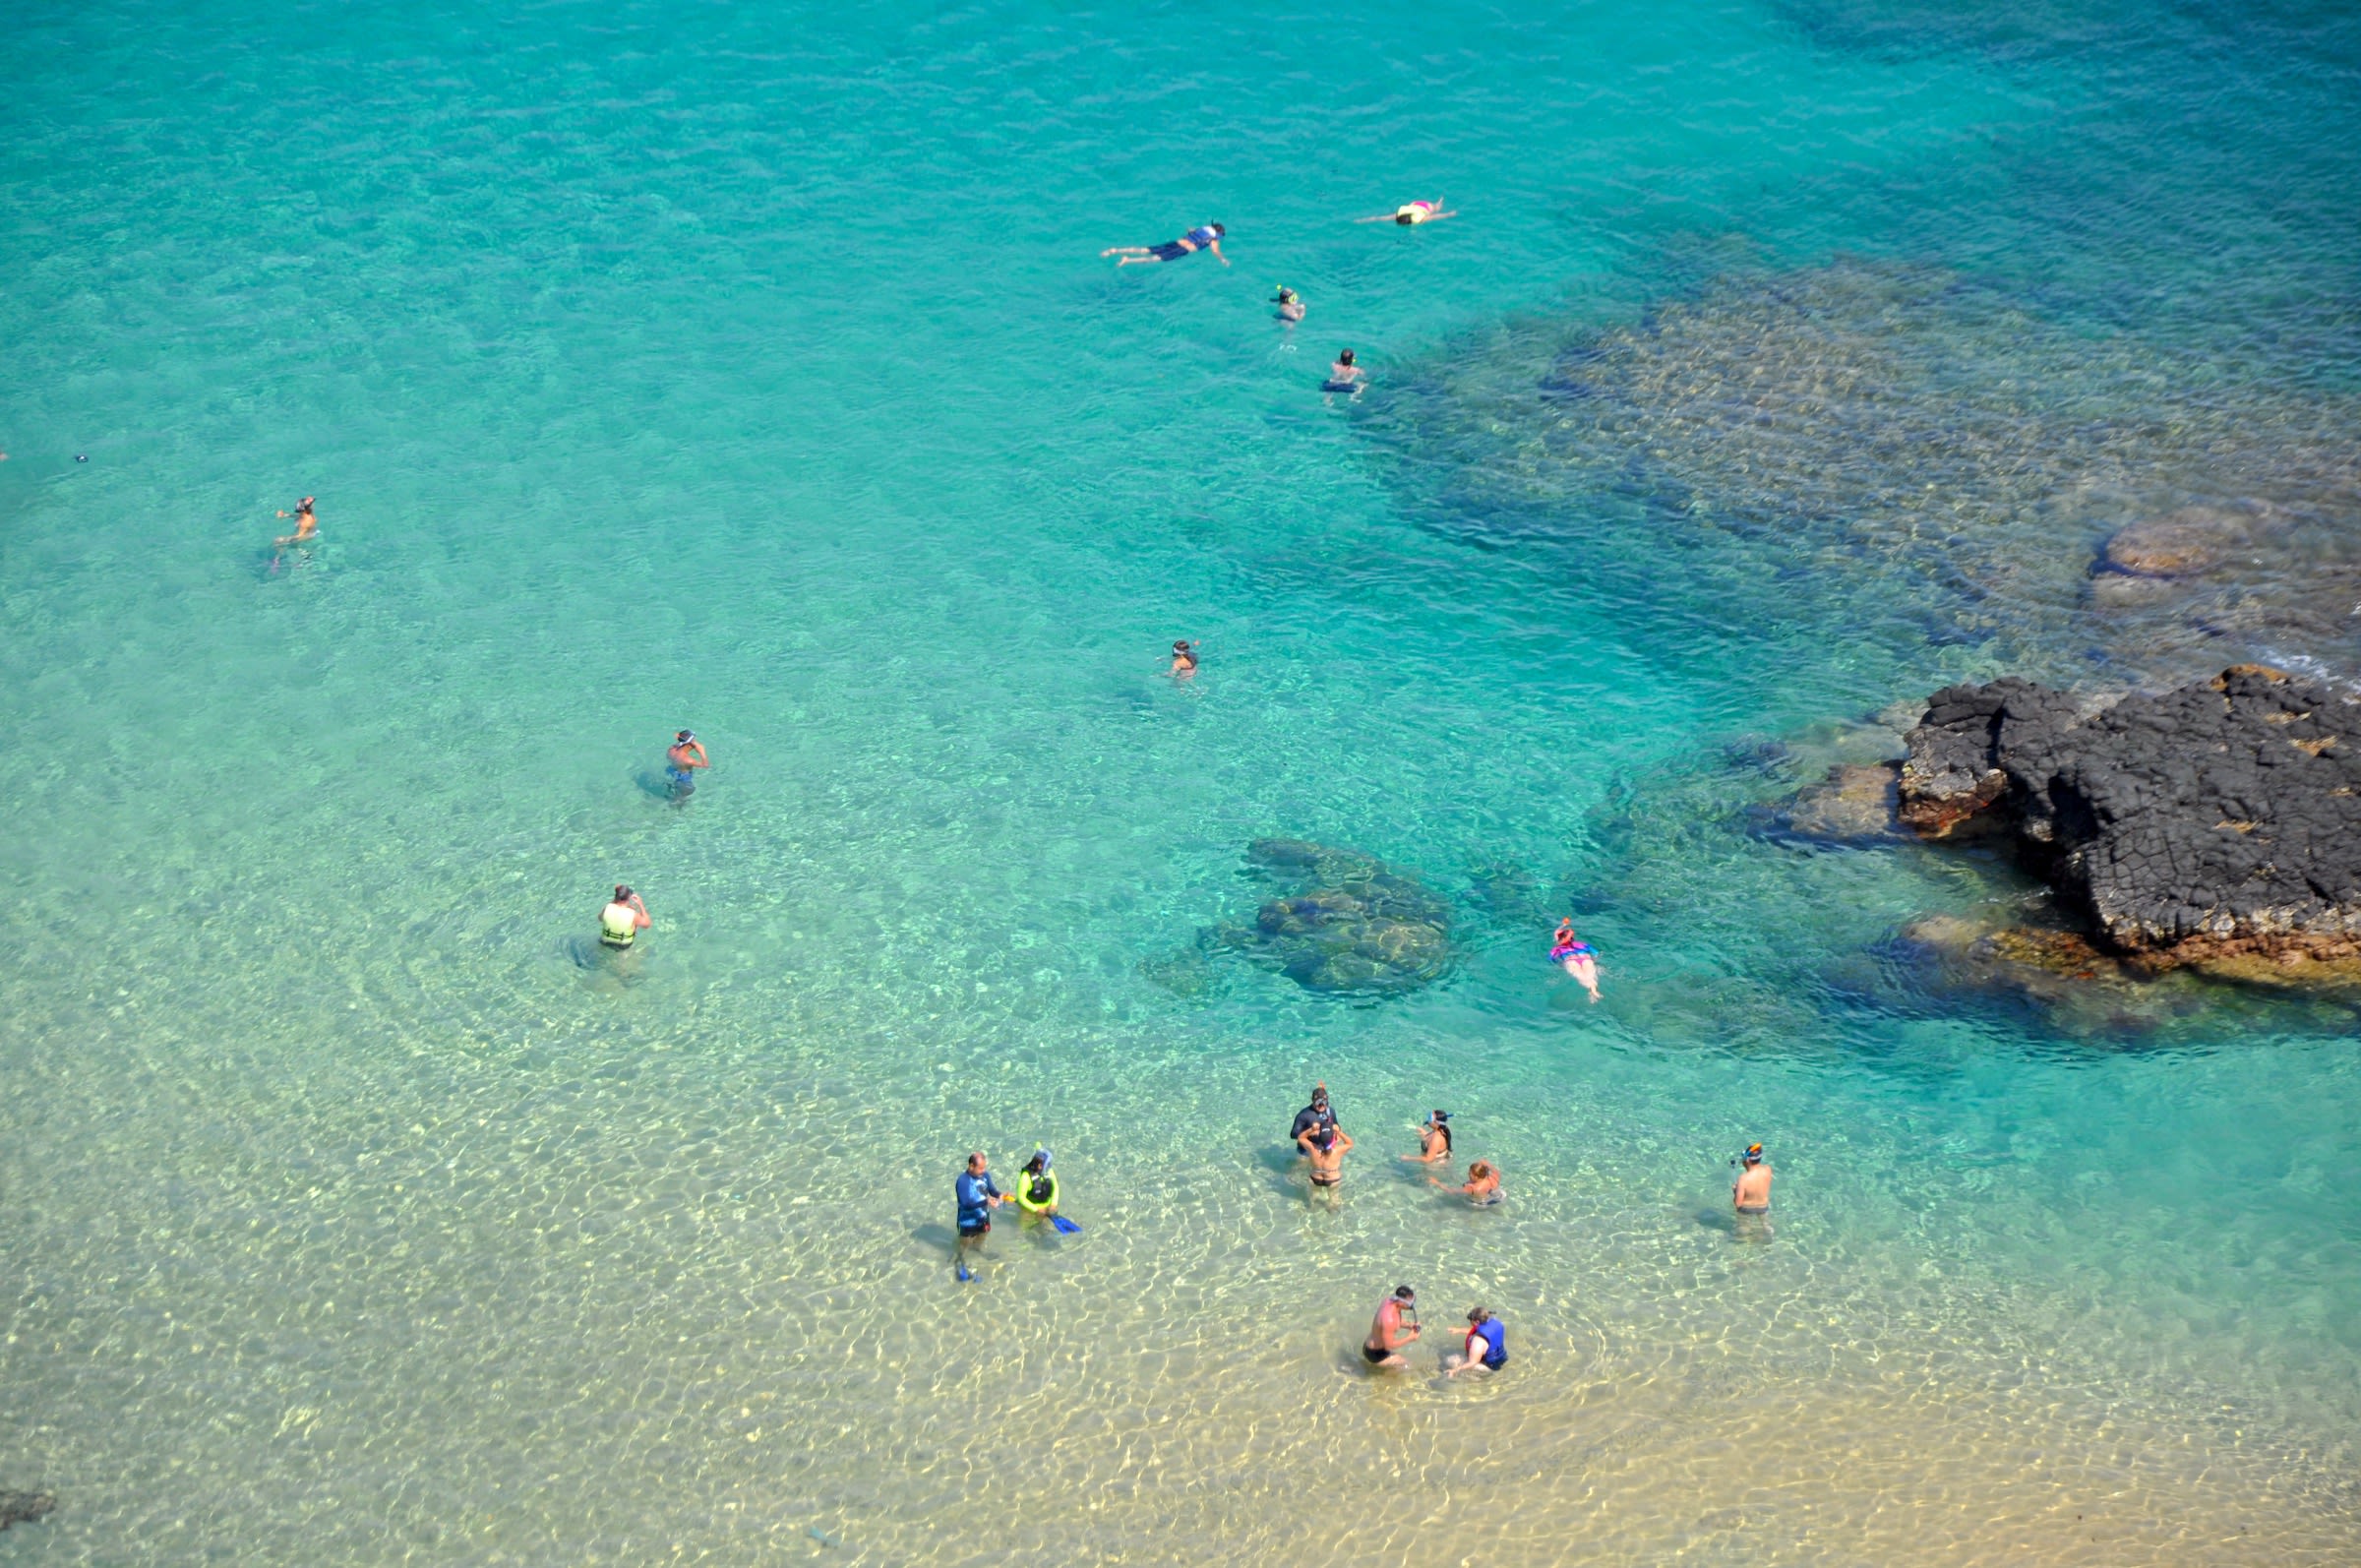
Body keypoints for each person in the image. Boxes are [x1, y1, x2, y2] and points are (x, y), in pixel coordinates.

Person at [955, 1152, 1007, 1269]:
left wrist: (1000, 1195)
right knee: (964, 1244)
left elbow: (992, 1191)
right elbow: (965, 1204)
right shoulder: (963, 1181)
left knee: (982, 1236)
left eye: (984, 1167)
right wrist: (986, 1201)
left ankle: (978, 1251)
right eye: (980, 1168)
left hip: (983, 1218)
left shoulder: (985, 1176)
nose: (983, 1170)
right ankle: (960, 1259)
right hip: (967, 1222)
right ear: (971, 1166)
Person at [1103, 222, 1228, 268]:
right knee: (1155, 258)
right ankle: (1127, 260)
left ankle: (1115, 250)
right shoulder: (1213, 240)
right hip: (1181, 250)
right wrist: (1223, 259)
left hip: (1176, 243)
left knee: (1146, 250)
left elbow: (1189, 230)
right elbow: (1215, 251)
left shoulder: (1201, 229)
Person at [1362, 1285, 1420, 1368]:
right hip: (1376, 1355)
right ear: (1400, 1302)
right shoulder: (1388, 1320)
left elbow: (1396, 1320)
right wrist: (1410, 1338)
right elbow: (1389, 1346)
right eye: (1410, 1302)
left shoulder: (1390, 1301)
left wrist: (1410, 1325)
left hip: (1371, 1346)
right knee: (1407, 1365)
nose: (1412, 1305)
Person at [1445, 1306, 1507, 1377]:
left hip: (1489, 1367)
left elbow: (1473, 1362)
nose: (1470, 1322)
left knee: (1451, 1360)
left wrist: (1454, 1370)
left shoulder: (1478, 1341)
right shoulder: (1495, 1324)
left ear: (1477, 1322)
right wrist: (1458, 1330)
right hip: (1501, 1359)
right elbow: (1478, 1332)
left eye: (1471, 1320)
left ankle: (1477, 1381)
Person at [1550, 919, 1601, 1002]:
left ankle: (1592, 991)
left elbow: (1551, 958)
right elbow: (1596, 953)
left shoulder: (1557, 948)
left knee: (1582, 979)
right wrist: (1594, 961)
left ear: (1560, 939)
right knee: (1591, 976)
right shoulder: (1582, 944)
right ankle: (1593, 990)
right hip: (1586, 959)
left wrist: (1560, 965)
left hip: (1570, 961)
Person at [1302, 1122, 1353, 1197]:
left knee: (1313, 1198)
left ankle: (1311, 1207)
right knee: (1334, 1199)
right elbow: (1350, 1143)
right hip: (1332, 1179)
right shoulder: (1337, 1151)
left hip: (1315, 1178)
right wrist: (1338, 1132)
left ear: (1319, 1137)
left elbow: (1301, 1138)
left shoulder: (1313, 1149)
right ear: (1333, 1138)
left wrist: (1312, 1129)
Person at [1429, 1159, 1502, 1206]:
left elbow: (1450, 1191)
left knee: (1456, 1179)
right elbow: (1496, 1171)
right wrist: (1487, 1163)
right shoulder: (1493, 1178)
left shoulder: (1471, 1188)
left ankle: (1447, 1169)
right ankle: (1447, 1169)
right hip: (1489, 1197)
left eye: (1470, 1173)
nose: (1468, 1174)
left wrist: (1436, 1183)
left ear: (1476, 1176)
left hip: (1478, 1202)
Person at [1013, 1148, 1060, 1219]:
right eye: (1047, 1164)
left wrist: (1053, 1204)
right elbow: (1021, 1198)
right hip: (1028, 1209)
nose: (1049, 1166)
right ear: (1039, 1166)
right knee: (1025, 1227)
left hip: (1047, 1208)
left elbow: (1055, 1187)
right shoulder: (1026, 1177)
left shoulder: (1049, 1172)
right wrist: (1036, 1209)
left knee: (1047, 1227)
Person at [599, 885, 651, 949]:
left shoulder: (607, 907)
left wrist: (615, 899)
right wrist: (641, 904)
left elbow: (600, 918)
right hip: (623, 946)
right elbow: (647, 925)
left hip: (605, 942)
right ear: (629, 898)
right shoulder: (633, 914)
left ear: (616, 897)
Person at [664, 730, 709, 800]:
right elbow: (705, 765)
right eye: (694, 741)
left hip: (671, 771)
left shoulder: (672, 749)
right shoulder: (688, 760)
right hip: (683, 780)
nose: (695, 743)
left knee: (671, 789)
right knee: (681, 797)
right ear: (689, 745)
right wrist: (702, 751)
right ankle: (676, 803)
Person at [1356, 199, 1458, 226]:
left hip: (1425, 206)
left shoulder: (1419, 219)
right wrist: (1363, 220)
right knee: (1437, 207)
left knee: (1436, 207)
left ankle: (1440, 201)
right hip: (1418, 204)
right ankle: (1440, 201)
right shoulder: (1400, 216)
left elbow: (1436, 216)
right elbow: (1378, 218)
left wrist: (1448, 214)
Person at [1733, 1144, 1773, 1214]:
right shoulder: (1768, 1169)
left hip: (1747, 1209)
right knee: (1766, 1224)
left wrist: (1735, 1191)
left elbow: (1738, 1204)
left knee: (1744, 1225)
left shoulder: (1743, 1179)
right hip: (1764, 1207)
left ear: (1747, 1160)